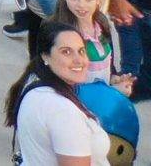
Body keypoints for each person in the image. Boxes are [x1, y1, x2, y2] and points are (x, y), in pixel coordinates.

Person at [7, 24, 115, 166]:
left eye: (81, 51)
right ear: (45, 56)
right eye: (66, 52)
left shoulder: (36, 86)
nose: (78, 60)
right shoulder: (62, 111)